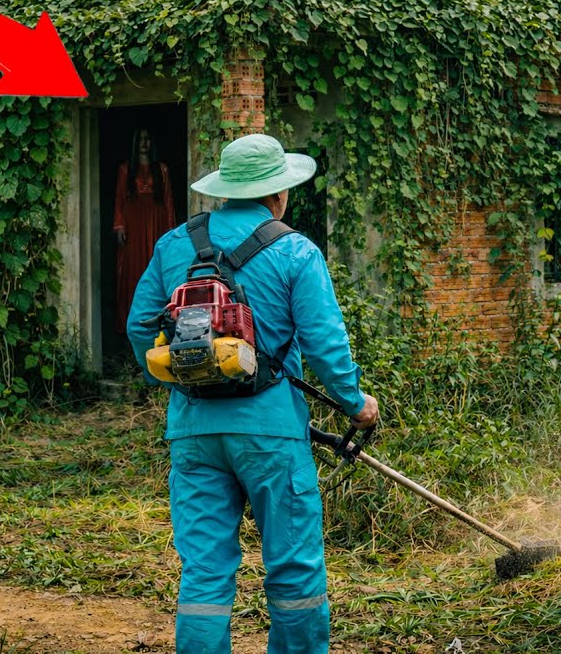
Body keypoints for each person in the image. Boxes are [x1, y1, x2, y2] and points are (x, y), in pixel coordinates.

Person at [127, 133, 379, 654]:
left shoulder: (174, 245)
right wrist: (356, 405)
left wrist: (182, 379)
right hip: (271, 437)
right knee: (293, 573)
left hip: (194, 434)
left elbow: (137, 327)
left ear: (225, 189)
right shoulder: (294, 251)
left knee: (204, 575)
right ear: (278, 194)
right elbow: (325, 346)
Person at [114, 128, 175, 334]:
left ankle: (159, 325)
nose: (144, 143)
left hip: (156, 222)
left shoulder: (162, 169)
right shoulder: (126, 169)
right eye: (140, 139)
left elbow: (168, 202)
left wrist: (170, 233)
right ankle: (132, 326)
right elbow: (120, 200)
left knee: (156, 265)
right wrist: (120, 225)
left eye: (147, 138)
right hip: (134, 224)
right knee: (133, 270)